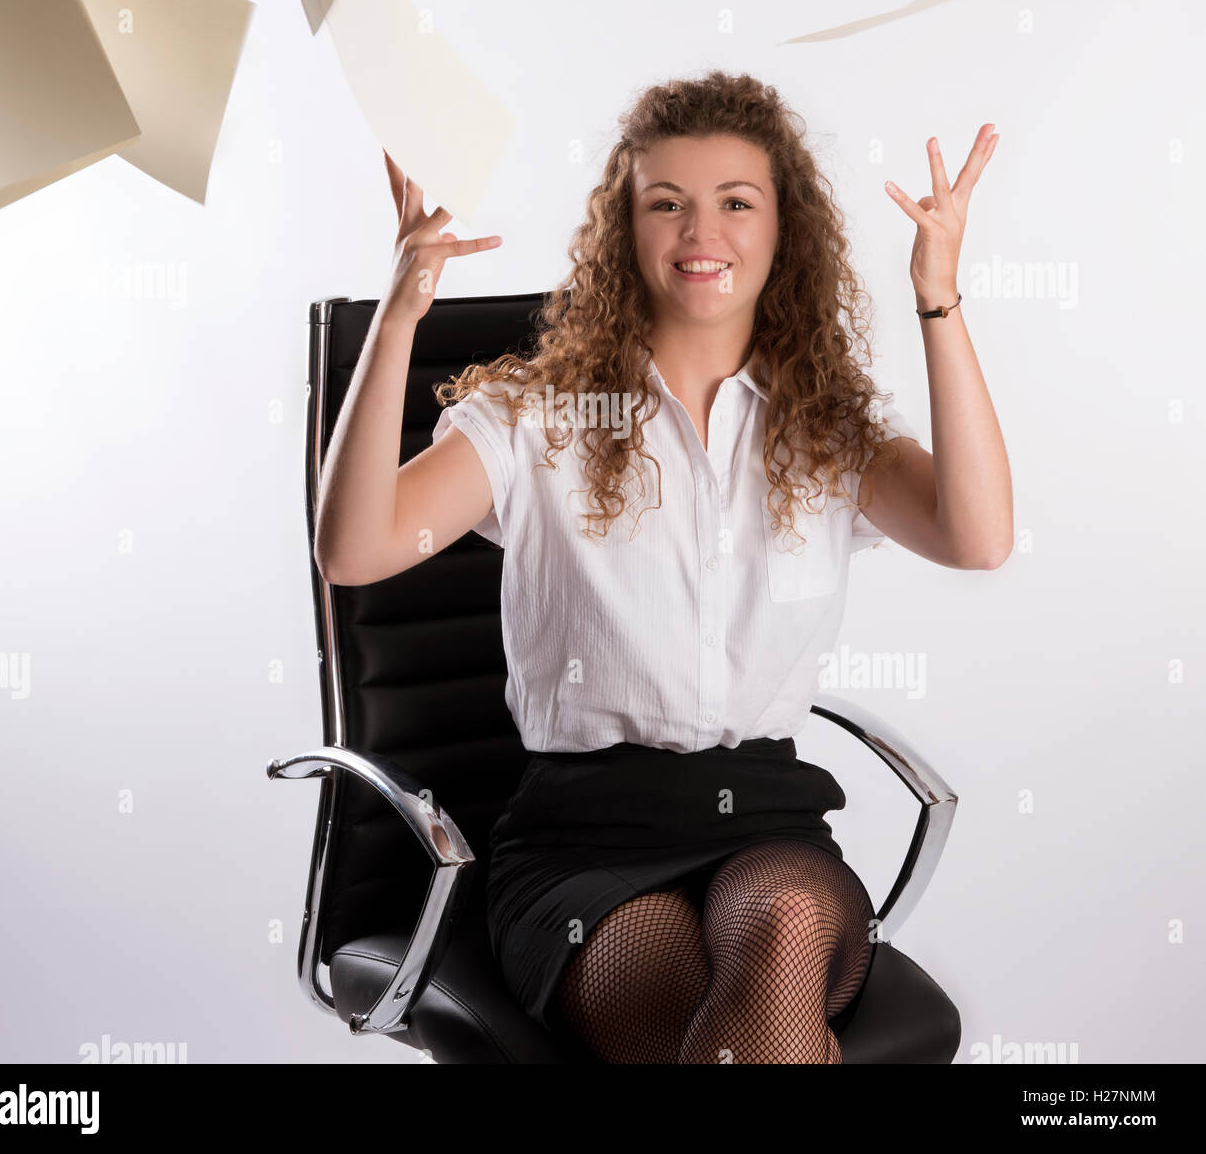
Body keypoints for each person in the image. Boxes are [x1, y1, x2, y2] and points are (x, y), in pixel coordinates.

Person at [314, 69, 1012, 1064]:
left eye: (736, 202)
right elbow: (356, 547)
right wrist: (398, 318)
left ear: (783, 232)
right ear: (623, 231)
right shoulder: (536, 418)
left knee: (775, 936)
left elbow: (977, 536)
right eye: (666, 203)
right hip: (582, 847)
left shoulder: (824, 430)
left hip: (772, 835)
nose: (702, 233)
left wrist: (937, 301)